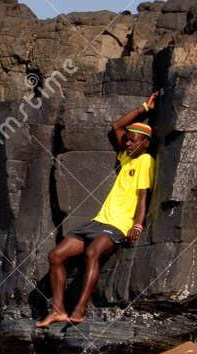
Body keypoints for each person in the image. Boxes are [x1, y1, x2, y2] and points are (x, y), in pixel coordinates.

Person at [36, 91, 159, 327]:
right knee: (56, 255)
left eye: (134, 140)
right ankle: (58, 310)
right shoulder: (127, 157)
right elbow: (116, 127)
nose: (128, 142)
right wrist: (144, 107)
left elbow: (144, 196)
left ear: (145, 143)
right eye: (128, 139)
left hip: (118, 225)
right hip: (98, 221)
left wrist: (138, 224)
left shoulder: (145, 161)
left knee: (92, 253)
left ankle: (80, 309)